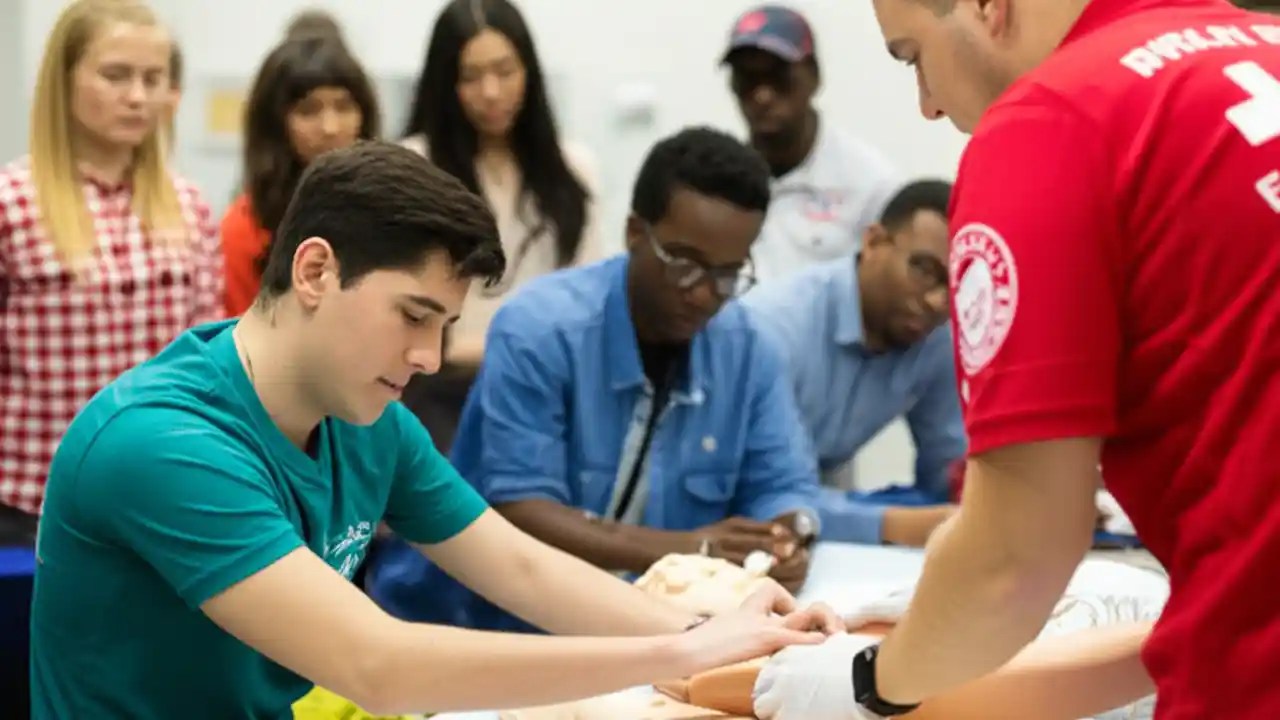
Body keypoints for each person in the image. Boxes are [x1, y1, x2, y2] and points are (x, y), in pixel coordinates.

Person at [29, 140, 841, 720]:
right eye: (413, 316)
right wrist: (680, 655)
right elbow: (378, 665)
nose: (428, 357)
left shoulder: (366, 417)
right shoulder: (162, 444)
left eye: (445, 324)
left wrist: (721, 631)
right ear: (314, 271)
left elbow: (519, 566)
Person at [751, 0, 1280, 718]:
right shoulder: (1258, 41)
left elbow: (1013, 560)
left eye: (912, 57)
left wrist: (874, 684)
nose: (928, 106)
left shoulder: (1050, 123)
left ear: (987, 7)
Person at [366, 126, 823, 632]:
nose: (703, 294)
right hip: (476, 625)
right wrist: (690, 549)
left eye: (727, 274)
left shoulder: (745, 346)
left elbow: (784, 483)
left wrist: (786, 534)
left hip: (646, 630)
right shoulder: (541, 329)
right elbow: (520, 509)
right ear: (634, 232)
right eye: (686, 264)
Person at [0, 0, 221, 517]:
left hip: (157, 489)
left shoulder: (189, 207)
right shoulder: (12, 205)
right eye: (115, 76)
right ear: (66, 81)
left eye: (153, 78)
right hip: (29, 500)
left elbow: (207, 363)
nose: (137, 97)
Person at [399, 0, 598, 452]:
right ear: (445, 83)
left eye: (505, 71)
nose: (491, 91)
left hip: (549, 399)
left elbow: (587, 303)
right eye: (470, 76)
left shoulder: (574, 171)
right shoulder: (414, 167)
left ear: (529, 71)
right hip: (439, 397)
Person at [742, 180, 962, 547]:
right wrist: (902, 525)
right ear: (873, 241)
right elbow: (762, 494)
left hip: (821, 527)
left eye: (957, 285)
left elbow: (950, 472)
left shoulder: (936, 338)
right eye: (924, 270)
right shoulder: (775, 328)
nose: (938, 301)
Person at [722, 4, 902, 284]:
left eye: (778, 76)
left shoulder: (869, 184)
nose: (763, 95)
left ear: (814, 76)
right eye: (748, 78)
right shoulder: (718, 182)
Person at [219, 35, 379, 317]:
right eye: (308, 110)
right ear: (276, 123)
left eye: (343, 107)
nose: (330, 127)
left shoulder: (387, 208)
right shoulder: (245, 227)